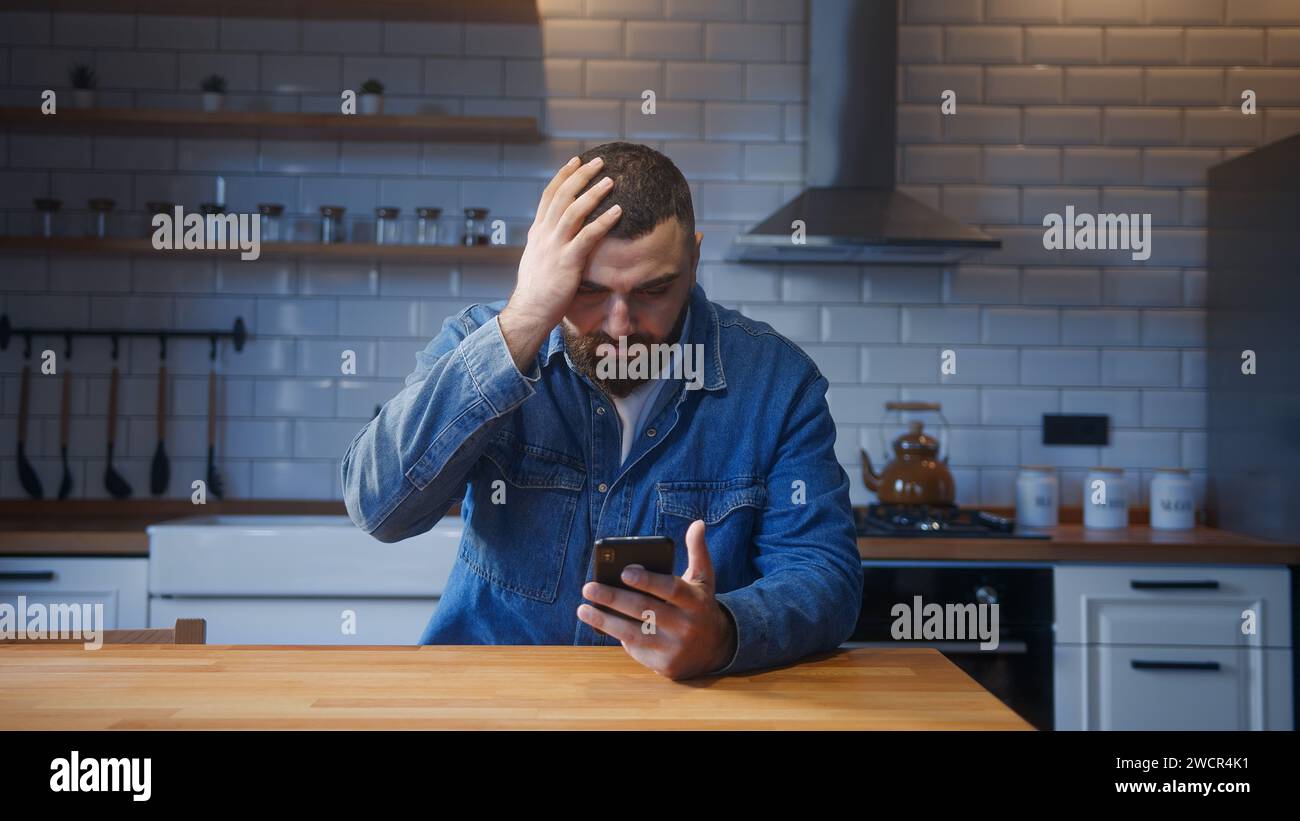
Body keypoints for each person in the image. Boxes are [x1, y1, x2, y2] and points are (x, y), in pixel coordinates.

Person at [342, 141, 862, 679]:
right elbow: (379, 508)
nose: (619, 325)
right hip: (494, 706)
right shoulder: (478, 342)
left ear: (694, 260)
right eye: (587, 289)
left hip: (677, 716)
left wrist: (724, 631)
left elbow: (824, 577)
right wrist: (523, 320)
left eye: (653, 289)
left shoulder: (777, 382)